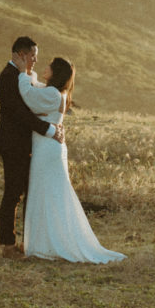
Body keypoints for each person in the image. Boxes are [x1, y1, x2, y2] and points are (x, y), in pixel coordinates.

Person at [20, 57, 125, 264]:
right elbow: (37, 88)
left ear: (56, 72)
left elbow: (28, 95)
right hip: (50, 148)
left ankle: (45, 244)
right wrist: (29, 74)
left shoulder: (51, 94)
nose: (45, 67)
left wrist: (23, 72)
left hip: (46, 149)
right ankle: (45, 242)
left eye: (49, 66)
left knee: (46, 192)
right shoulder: (57, 93)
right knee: (49, 192)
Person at [0, 36, 61, 258]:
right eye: (33, 56)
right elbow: (20, 114)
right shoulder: (8, 77)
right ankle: (8, 245)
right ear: (21, 55)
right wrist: (49, 130)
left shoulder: (21, 76)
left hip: (23, 144)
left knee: (26, 193)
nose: (36, 60)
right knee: (13, 194)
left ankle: (28, 242)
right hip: (13, 144)